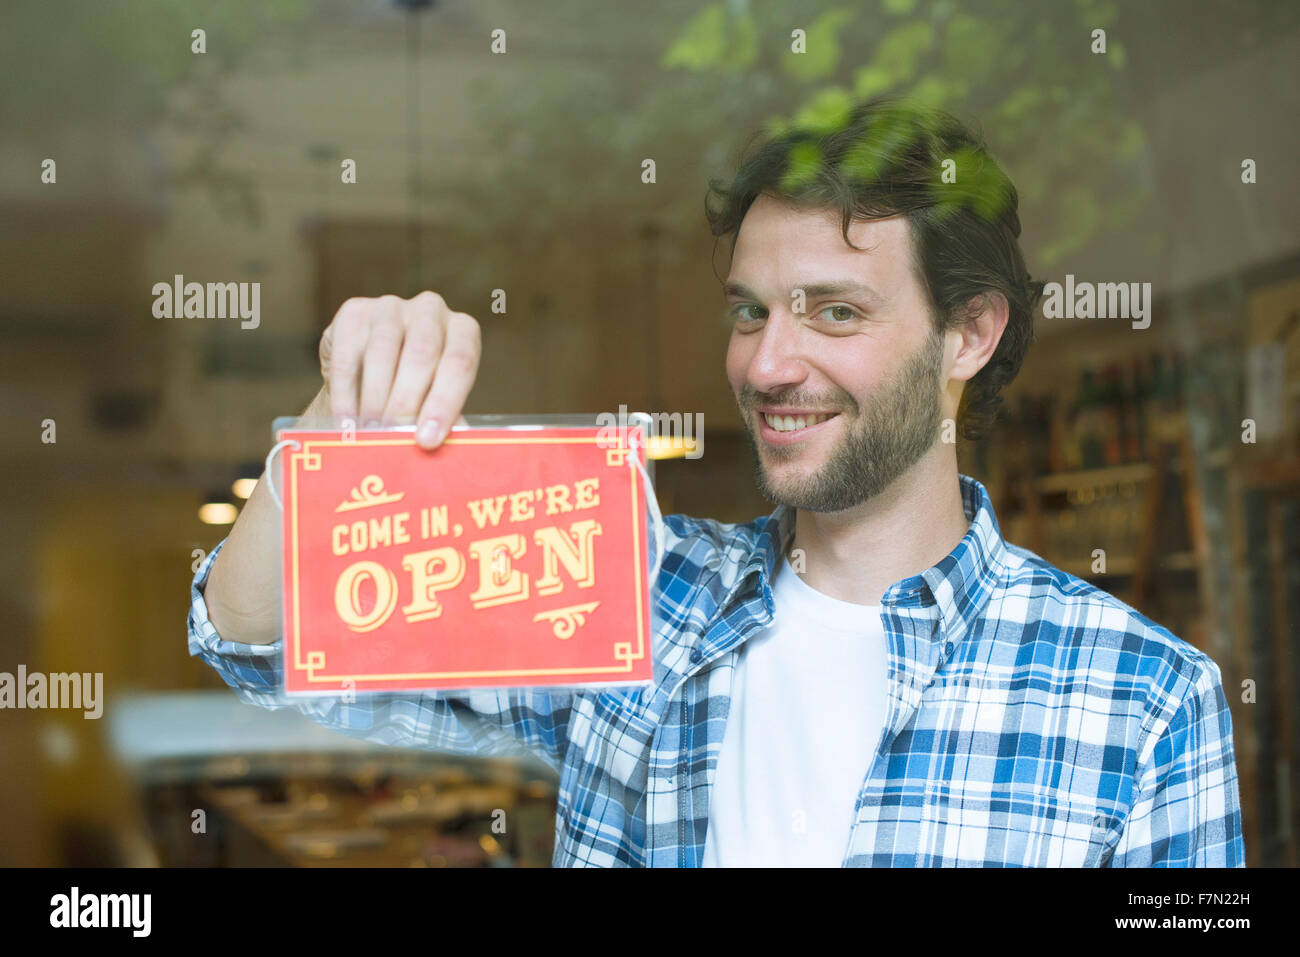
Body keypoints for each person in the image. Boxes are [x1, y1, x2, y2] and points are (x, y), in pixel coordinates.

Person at [188, 97, 1245, 867]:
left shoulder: (1144, 699)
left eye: (833, 311)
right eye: (750, 310)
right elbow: (262, 647)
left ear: (968, 334)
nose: (767, 364)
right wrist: (336, 419)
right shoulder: (624, 595)